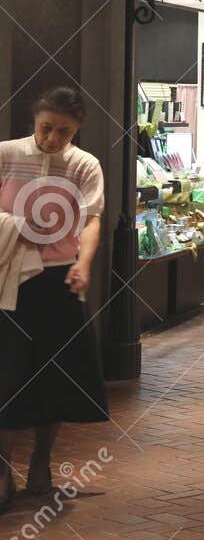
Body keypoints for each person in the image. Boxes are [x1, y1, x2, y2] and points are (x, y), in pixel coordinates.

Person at [0, 86, 109, 509]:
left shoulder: (84, 165)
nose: (52, 139)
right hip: (10, 280)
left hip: (59, 279)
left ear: (77, 130)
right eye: (46, 129)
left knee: (56, 375)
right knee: (8, 375)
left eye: (64, 132)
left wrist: (83, 264)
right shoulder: (8, 154)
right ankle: (4, 465)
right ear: (34, 120)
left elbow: (91, 220)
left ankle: (42, 461)